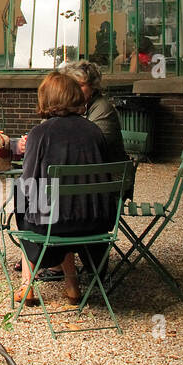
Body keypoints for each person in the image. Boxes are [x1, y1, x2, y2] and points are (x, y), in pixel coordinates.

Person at [12, 72, 122, 307]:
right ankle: (72, 286)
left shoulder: (40, 134)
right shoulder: (94, 131)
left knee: (24, 198)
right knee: (62, 203)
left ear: (46, 98)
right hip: (97, 221)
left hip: (54, 225)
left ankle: (27, 285)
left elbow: (29, 182)